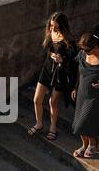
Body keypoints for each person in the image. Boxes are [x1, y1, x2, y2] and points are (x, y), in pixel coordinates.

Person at [28, 12, 75, 141]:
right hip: (47, 70)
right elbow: (48, 51)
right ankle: (39, 123)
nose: (53, 28)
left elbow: (72, 62)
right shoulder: (50, 33)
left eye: (56, 27)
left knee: (52, 102)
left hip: (59, 74)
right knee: (37, 99)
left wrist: (62, 60)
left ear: (63, 26)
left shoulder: (69, 40)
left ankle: (53, 127)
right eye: (51, 25)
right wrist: (52, 56)